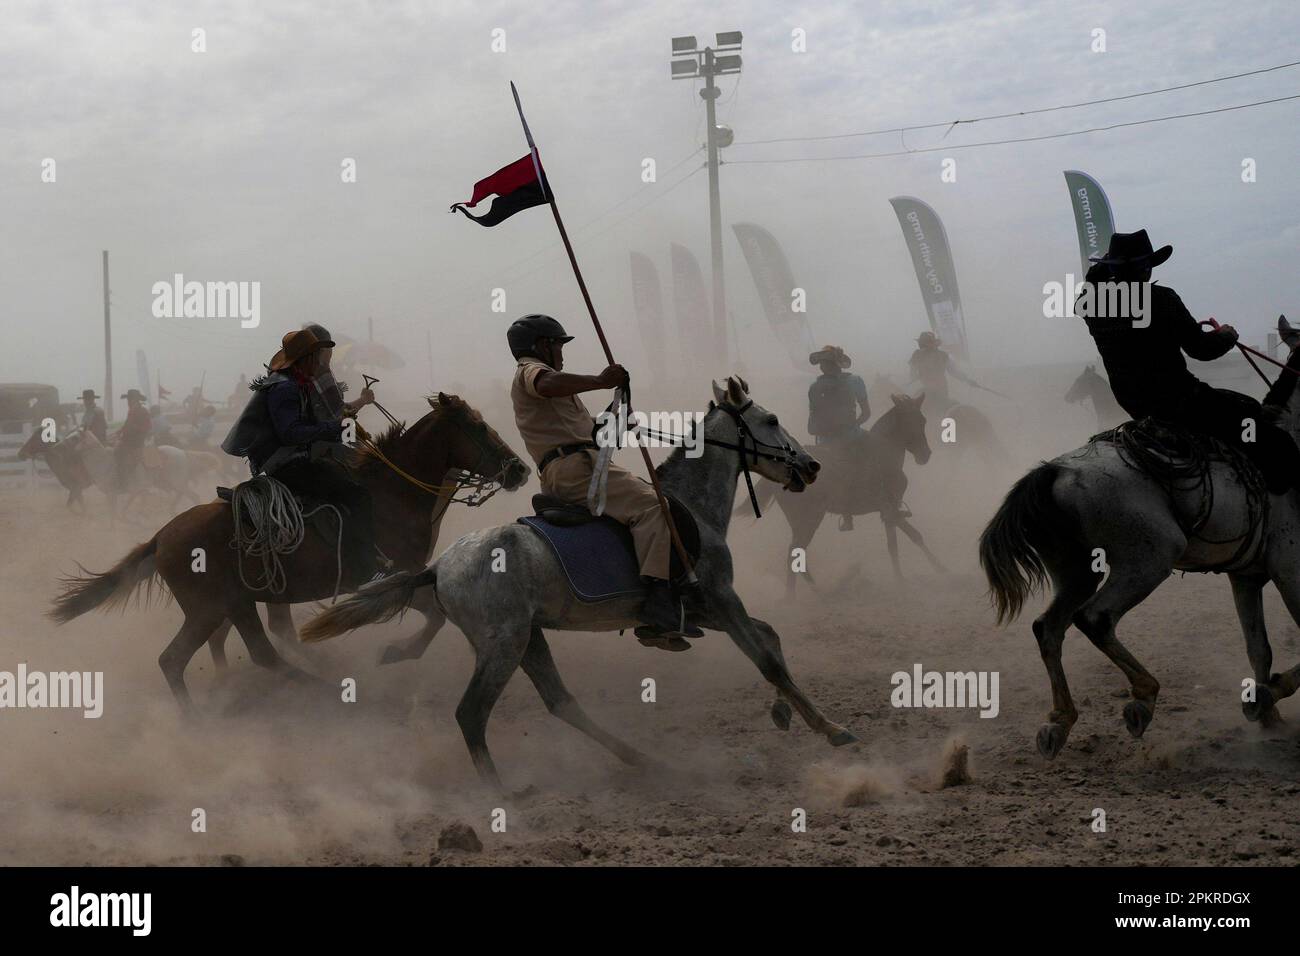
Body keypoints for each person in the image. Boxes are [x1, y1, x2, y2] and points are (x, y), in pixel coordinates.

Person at [506, 313, 702, 648]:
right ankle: (657, 604)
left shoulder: (556, 387)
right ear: (541, 346)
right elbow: (546, 384)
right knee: (655, 507)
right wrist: (600, 380)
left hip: (577, 463)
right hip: (576, 469)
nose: (563, 352)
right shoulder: (531, 371)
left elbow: (585, 431)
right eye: (558, 345)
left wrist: (613, 419)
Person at [1077, 229, 1299, 493]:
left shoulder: (1094, 306)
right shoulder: (1162, 299)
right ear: (1146, 267)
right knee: (1273, 437)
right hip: (1183, 403)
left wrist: (1104, 268)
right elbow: (1202, 350)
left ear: (1113, 269)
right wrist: (1227, 335)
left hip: (1136, 407)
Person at [222, 328, 380, 581]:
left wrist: (353, 409)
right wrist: (333, 429)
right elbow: (290, 433)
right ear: (306, 358)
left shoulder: (295, 384)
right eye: (317, 355)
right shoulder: (286, 389)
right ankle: (365, 573)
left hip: (296, 460)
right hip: (289, 465)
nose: (321, 361)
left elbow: (331, 414)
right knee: (358, 495)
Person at [807, 345, 871, 531]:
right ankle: (888, 500)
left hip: (825, 441)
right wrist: (853, 426)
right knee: (877, 450)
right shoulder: (855, 381)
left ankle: (846, 516)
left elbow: (812, 422)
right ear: (839, 364)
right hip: (851, 436)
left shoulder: (814, 387)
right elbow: (866, 413)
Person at [908, 331, 979, 412]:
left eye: (924, 344)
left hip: (939, 389)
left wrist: (967, 379)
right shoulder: (918, 355)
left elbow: (953, 371)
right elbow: (912, 370)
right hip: (928, 389)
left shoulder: (942, 356)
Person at [112, 389, 151, 488]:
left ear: (136, 400)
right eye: (128, 399)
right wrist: (120, 431)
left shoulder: (143, 411)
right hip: (127, 440)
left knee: (118, 454)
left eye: (130, 399)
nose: (128, 402)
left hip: (136, 441)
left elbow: (147, 427)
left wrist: (135, 427)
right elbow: (126, 424)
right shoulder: (131, 411)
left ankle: (123, 482)